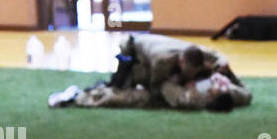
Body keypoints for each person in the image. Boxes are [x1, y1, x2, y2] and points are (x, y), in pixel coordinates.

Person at [47, 33, 251, 112]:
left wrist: (222, 73)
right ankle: (83, 95)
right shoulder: (162, 62)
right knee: (130, 91)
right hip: (134, 51)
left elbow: (221, 60)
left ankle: (84, 95)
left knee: (128, 95)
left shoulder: (201, 71)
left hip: (167, 76)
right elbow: (156, 88)